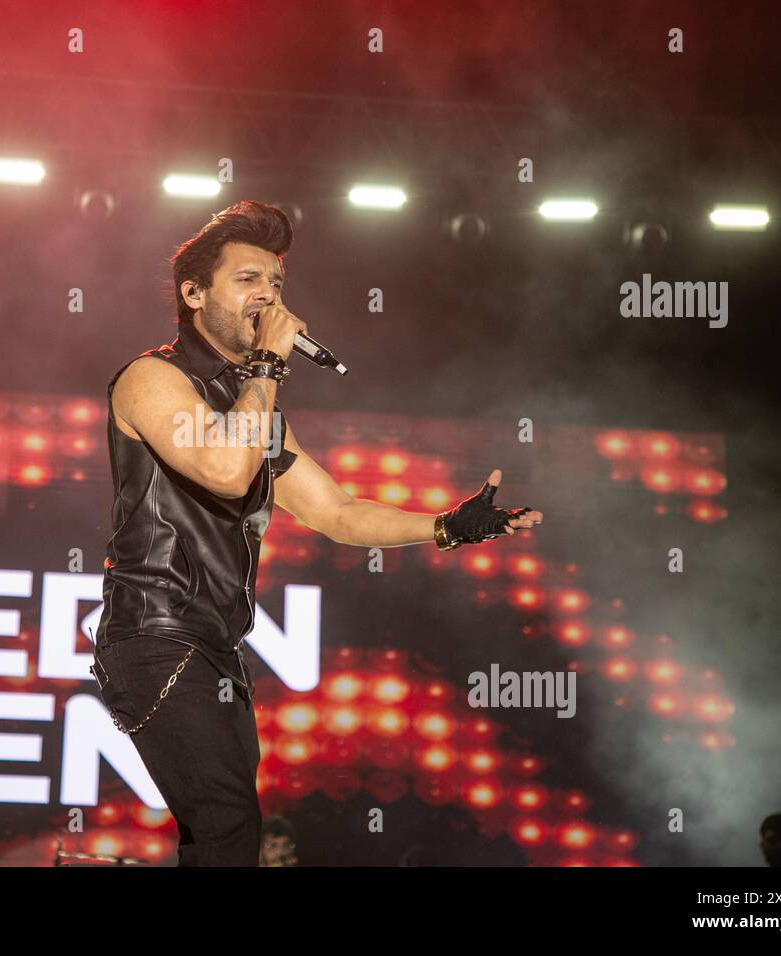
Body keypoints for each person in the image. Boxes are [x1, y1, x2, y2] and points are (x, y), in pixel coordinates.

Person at [91, 199, 543, 866]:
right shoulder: (152, 378)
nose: (268, 296)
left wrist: (448, 526)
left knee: (223, 833)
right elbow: (224, 470)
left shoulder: (254, 405)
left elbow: (336, 512)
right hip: (157, 634)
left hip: (216, 648)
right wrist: (268, 366)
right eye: (248, 279)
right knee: (226, 825)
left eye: (276, 283)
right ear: (193, 294)